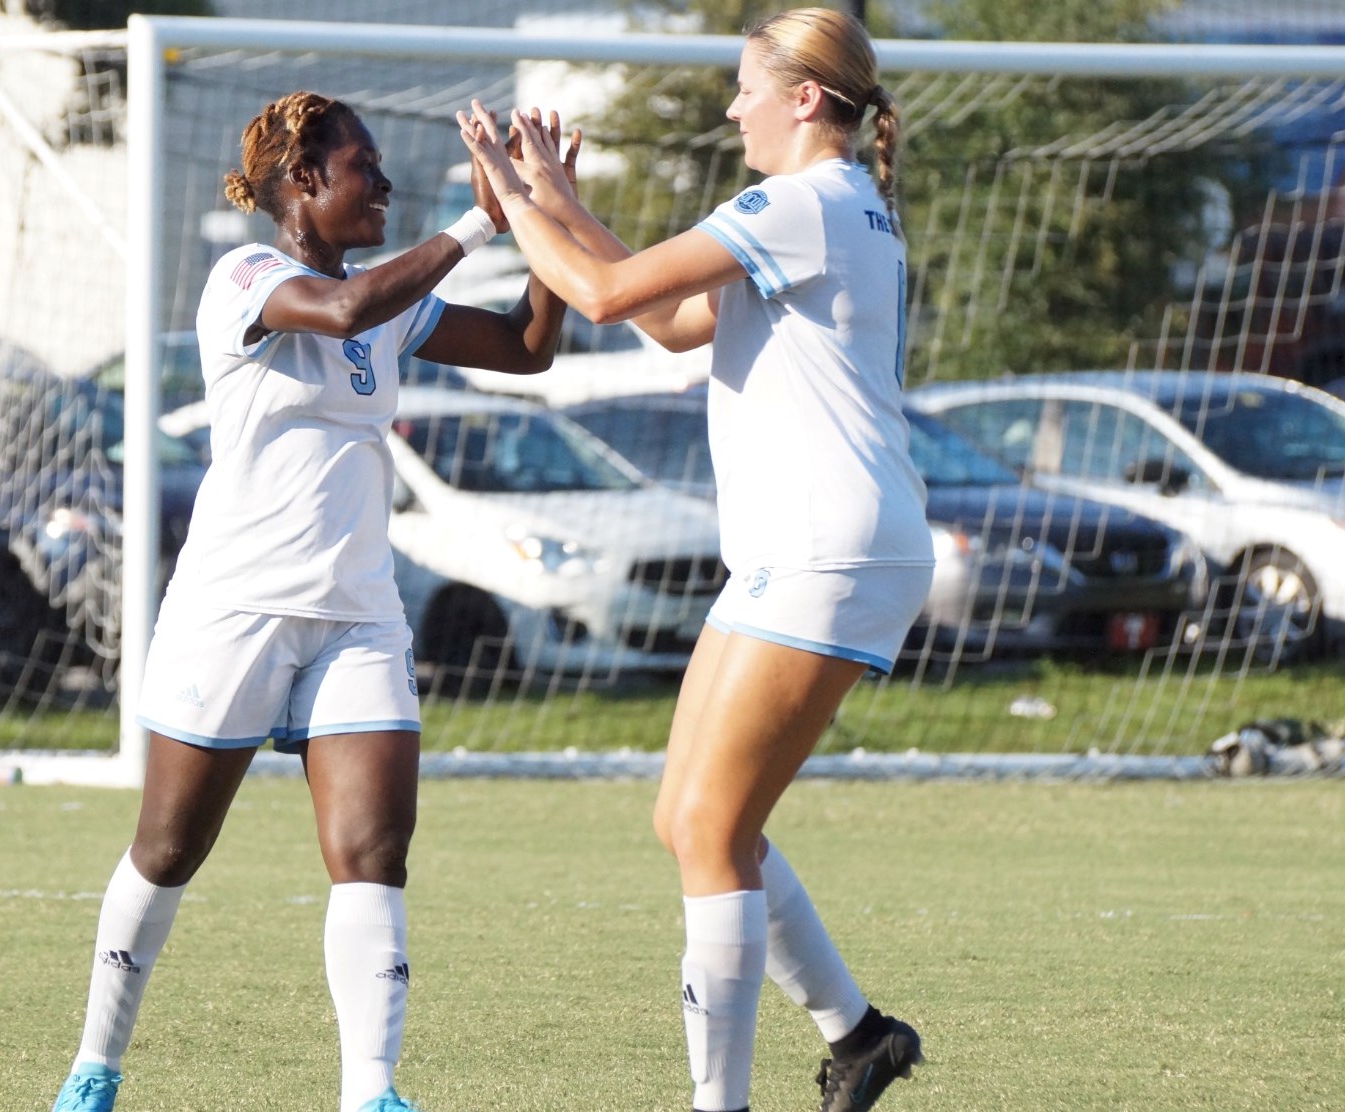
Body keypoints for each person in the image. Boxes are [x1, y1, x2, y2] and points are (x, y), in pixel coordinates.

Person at [49, 91, 572, 1112]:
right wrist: (480, 222)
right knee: (168, 849)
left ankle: (371, 1092)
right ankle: (94, 1068)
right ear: (303, 181)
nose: (384, 183)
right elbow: (340, 311)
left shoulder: (390, 298)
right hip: (234, 609)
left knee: (374, 851)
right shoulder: (248, 277)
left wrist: (542, 212)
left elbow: (525, 346)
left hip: (359, 615)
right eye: (363, 166)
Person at [458, 10, 931, 1112]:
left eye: (745, 88)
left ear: (803, 99)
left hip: (829, 547)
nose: (731, 108)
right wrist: (552, 199)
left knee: (713, 828)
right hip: (800, 547)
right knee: (687, 819)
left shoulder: (800, 203)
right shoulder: (824, 204)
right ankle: (859, 1036)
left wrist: (509, 195)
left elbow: (601, 296)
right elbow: (668, 316)